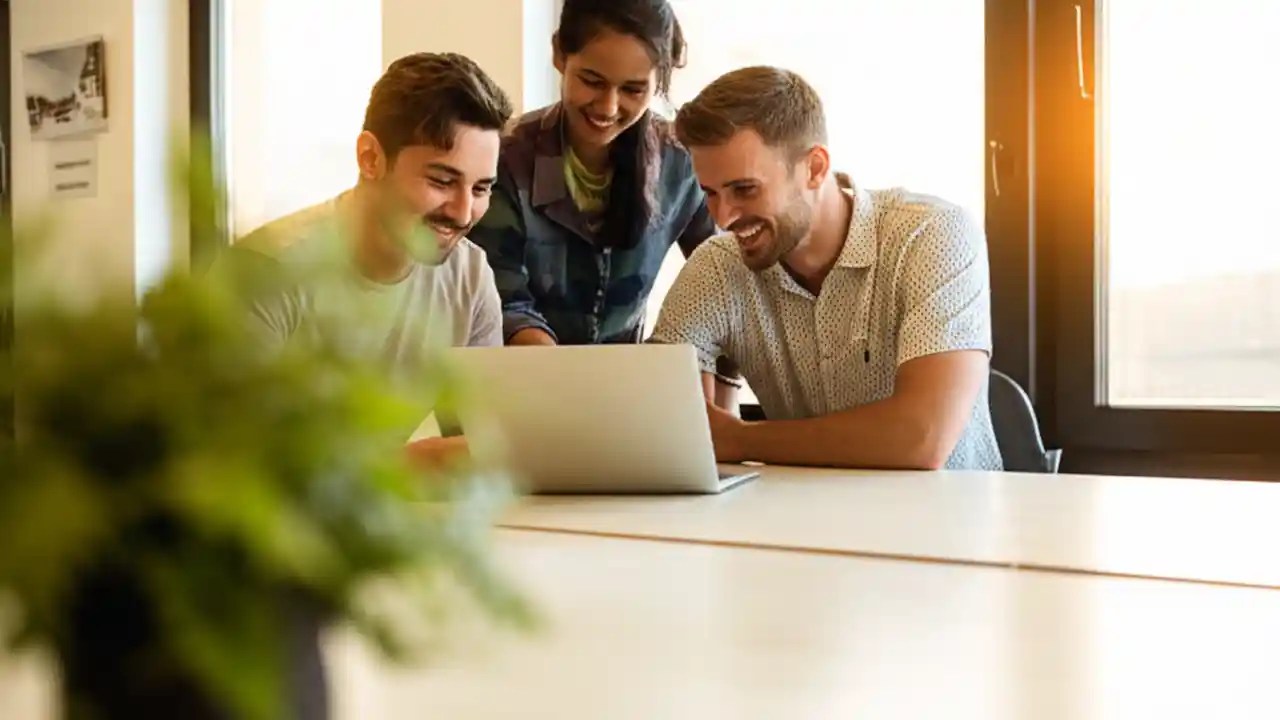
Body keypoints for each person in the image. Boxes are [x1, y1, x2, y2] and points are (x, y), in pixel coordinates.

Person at [650, 66, 1003, 471]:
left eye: (745, 190)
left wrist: (739, 439)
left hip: (947, 524)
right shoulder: (718, 265)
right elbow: (670, 424)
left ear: (815, 168)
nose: (724, 217)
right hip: (804, 526)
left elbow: (921, 439)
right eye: (710, 193)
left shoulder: (932, 236)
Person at [223, 52, 514, 466]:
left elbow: (485, 450)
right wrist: (407, 467)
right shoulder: (264, 272)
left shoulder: (470, 277)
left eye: (482, 188)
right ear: (370, 158)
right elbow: (234, 464)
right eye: (441, 181)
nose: (463, 212)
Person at [469, 0, 730, 374]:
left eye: (633, 90)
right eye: (592, 81)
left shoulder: (682, 162)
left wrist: (714, 377)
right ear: (559, 54)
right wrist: (569, 384)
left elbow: (727, 278)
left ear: (661, 80)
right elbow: (505, 301)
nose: (608, 107)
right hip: (525, 380)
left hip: (628, 390)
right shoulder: (505, 157)